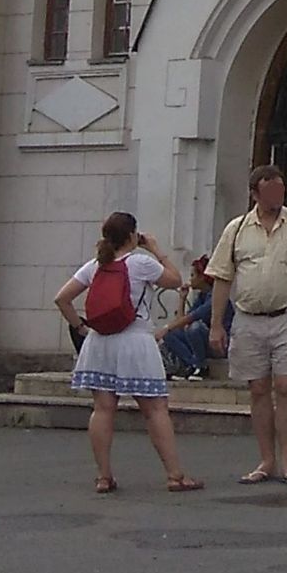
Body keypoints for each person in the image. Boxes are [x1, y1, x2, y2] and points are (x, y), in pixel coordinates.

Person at [49, 212, 201, 495]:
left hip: (100, 343)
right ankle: (174, 475)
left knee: (103, 409)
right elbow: (174, 279)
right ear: (132, 235)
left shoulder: (96, 265)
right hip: (135, 341)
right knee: (155, 409)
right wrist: (156, 249)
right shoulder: (140, 263)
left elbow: (62, 298)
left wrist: (81, 327)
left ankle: (104, 477)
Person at [208, 162, 287, 487]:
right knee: (258, 389)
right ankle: (266, 459)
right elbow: (222, 277)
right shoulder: (236, 229)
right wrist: (216, 324)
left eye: (280, 190)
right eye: (269, 191)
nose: (276, 197)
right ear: (254, 194)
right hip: (249, 319)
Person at [157, 253, 217, 381]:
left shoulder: (214, 297)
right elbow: (181, 324)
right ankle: (192, 364)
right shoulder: (200, 297)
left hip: (217, 343)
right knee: (171, 334)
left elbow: (193, 317)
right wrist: (182, 299)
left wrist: (166, 327)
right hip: (200, 342)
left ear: (202, 277)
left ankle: (201, 366)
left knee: (195, 327)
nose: (190, 279)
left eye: (193, 275)